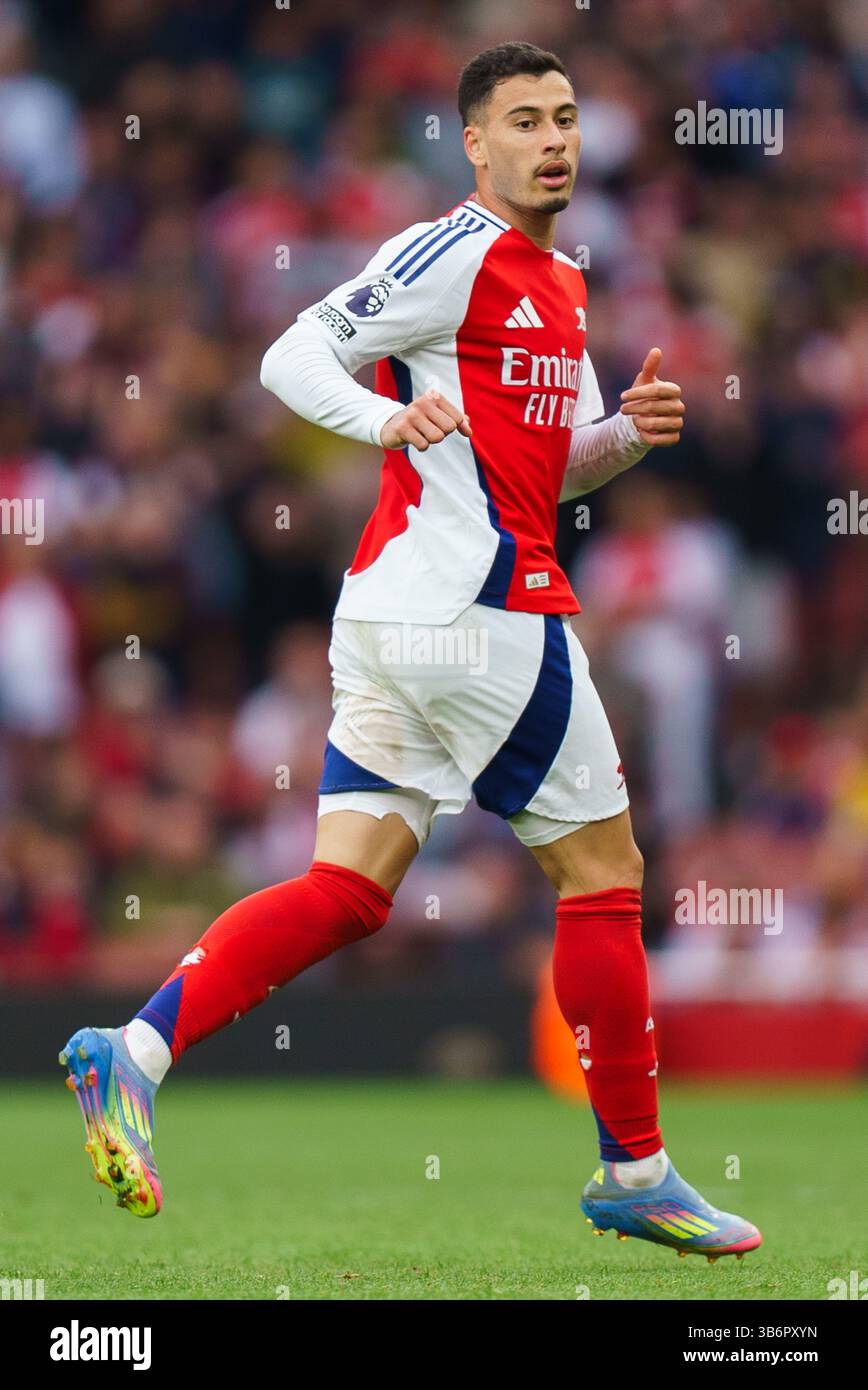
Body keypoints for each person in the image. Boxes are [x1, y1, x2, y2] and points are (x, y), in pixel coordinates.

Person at [61, 41, 761, 1260]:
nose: (554, 138)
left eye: (565, 117)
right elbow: (291, 355)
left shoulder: (558, 279)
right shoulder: (455, 251)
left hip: (403, 619)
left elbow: (537, 471)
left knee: (348, 890)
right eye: (524, 121)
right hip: (476, 612)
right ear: (474, 144)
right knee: (602, 873)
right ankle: (635, 1167)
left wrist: (623, 439)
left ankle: (131, 1051)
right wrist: (387, 413)